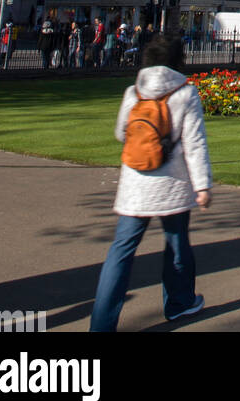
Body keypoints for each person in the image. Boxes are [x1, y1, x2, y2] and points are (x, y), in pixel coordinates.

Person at [90, 34, 213, 332]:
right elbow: (194, 143)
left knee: (121, 251)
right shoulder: (186, 92)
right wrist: (202, 186)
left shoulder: (134, 91)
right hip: (171, 183)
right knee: (176, 245)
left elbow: (121, 133)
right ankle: (179, 303)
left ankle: (101, 324)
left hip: (136, 182)